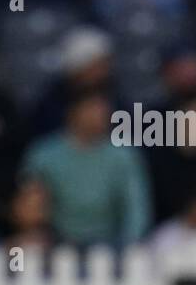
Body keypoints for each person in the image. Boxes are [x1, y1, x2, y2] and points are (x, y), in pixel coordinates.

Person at [20, 87, 152, 249]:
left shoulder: (124, 155)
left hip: (110, 242)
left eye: (103, 111)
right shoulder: (44, 154)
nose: (100, 116)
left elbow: (136, 207)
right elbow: (29, 203)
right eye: (92, 109)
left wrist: (129, 243)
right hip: (56, 240)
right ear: (73, 113)